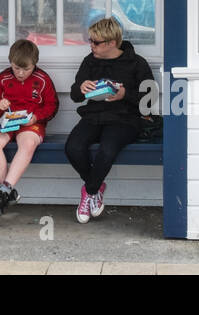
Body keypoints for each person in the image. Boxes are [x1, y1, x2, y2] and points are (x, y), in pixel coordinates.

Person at [66, 17, 155, 224]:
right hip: (94, 115)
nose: (91, 45)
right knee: (73, 147)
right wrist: (82, 88)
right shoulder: (90, 61)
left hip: (125, 119)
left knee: (107, 149)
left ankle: (88, 193)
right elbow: (75, 95)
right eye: (90, 40)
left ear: (111, 43)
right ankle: (96, 188)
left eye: (96, 42)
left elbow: (149, 100)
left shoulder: (136, 63)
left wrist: (125, 94)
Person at [0, 38, 58, 215]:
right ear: (11, 62)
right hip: (7, 122)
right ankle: (7, 191)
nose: (21, 73)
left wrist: (36, 117)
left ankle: (4, 189)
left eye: (26, 69)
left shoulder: (43, 80)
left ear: (35, 64)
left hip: (30, 123)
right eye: (16, 68)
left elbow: (52, 106)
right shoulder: (3, 78)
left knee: (28, 144)